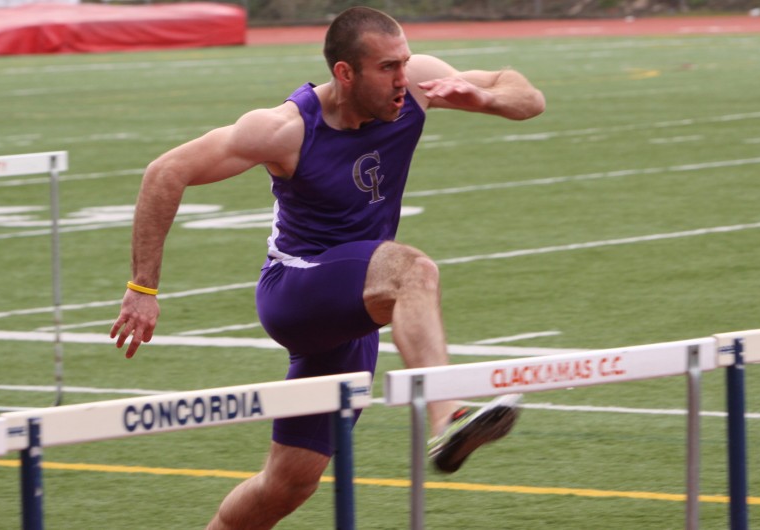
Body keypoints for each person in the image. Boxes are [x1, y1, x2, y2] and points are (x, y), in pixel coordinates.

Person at [111, 6, 545, 529]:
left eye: (405, 63)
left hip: (357, 301)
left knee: (289, 483)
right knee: (412, 270)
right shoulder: (284, 129)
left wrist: (488, 98)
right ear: (345, 73)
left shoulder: (416, 87)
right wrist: (142, 288)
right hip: (297, 290)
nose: (403, 80)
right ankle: (447, 413)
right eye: (388, 68)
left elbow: (525, 96)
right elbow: (166, 171)